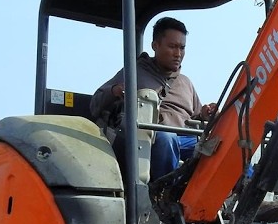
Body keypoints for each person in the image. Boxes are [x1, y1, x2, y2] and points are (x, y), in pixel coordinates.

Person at [89, 16, 215, 180]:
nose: (178, 54)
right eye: (172, 46)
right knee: (166, 138)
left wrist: (204, 114)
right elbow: (95, 104)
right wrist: (115, 91)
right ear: (155, 45)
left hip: (183, 139)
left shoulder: (185, 83)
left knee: (220, 144)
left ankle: (245, 191)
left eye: (182, 48)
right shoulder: (134, 73)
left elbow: (195, 117)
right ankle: (161, 194)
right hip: (148, 139)